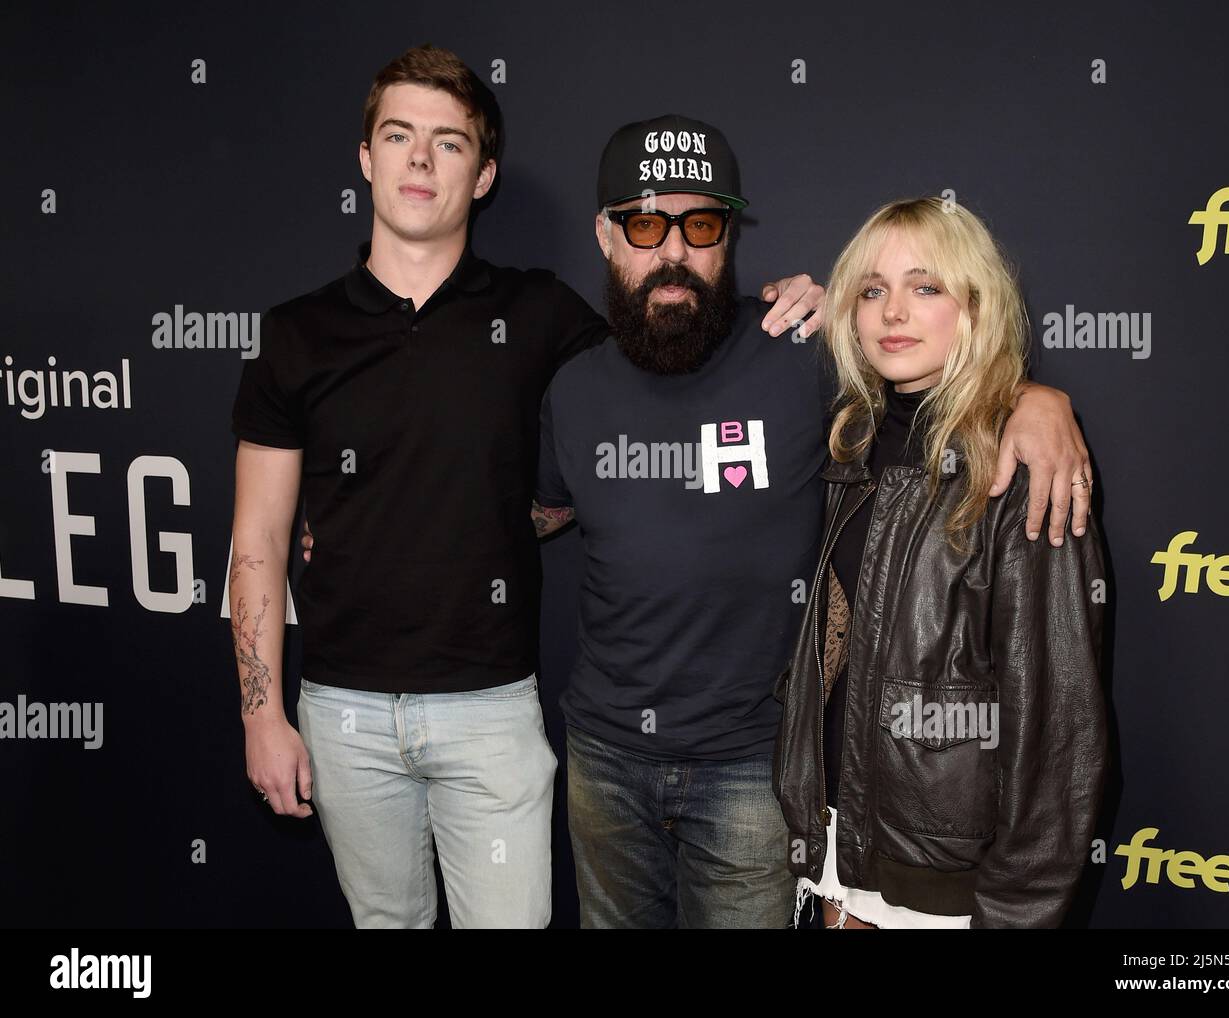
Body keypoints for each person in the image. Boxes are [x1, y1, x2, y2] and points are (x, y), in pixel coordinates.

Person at [231, 46, 822, 929]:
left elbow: (679, 349)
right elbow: (256, 541)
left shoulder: (548, 319)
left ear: (485, 172)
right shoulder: (292, 336)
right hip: (344, 712)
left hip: (500, 714)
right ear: (366, 158)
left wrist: (1030, 401)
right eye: (399, 136)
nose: (421, 161)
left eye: (449, 142)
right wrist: (261, 713)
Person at [530, 118, 1095, 928]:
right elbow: (535, 513)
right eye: (647, 223)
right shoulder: (573, 389)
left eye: (702, 225)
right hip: (604, 755)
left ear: (728, 235)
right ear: (607, 235)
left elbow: (939, 370)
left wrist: (1037, 401)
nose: (674, 252)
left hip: (757, 768)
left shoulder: (803, 354)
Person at [771, 197, 1109, 929]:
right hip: (835, 842)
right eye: (872, 290)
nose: (894, 310)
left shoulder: (1022, 468)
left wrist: (1018, 912)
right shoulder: (851, 445)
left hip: (949, 882)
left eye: (926, 287)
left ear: (976, 308)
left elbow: (1059, 727)